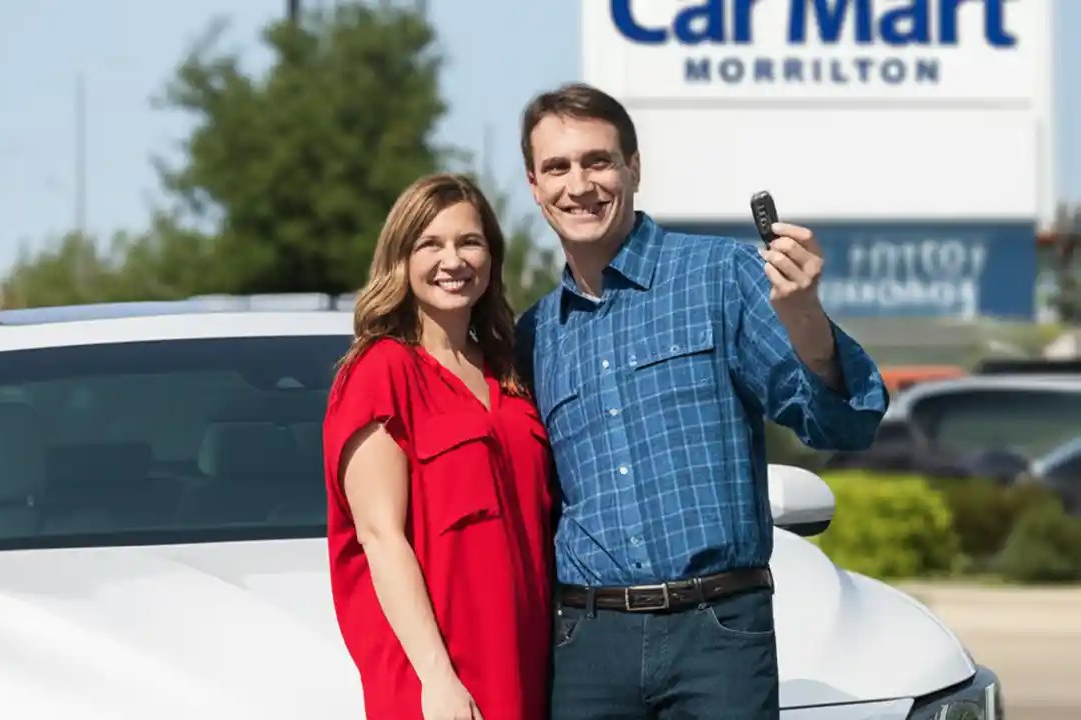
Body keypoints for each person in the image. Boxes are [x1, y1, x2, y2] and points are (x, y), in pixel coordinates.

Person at [513, 82, 889, 718]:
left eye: (597, 161)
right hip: (587, 640)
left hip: (717, 633)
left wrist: (806, 320)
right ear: (534, 185)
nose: (579, 185)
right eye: (558, 167)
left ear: (633, 167)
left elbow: (842, 425)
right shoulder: (535, 334)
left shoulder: (720, 276)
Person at [323, 172, 555, 720]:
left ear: (492, 257)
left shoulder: (512, 375)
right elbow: (380, 537)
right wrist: (436, 677)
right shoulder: (380, 373)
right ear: (400, 260)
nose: (453, 260)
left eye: (469, 242)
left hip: (527, 665)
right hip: (439, 676)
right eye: (430, 244)